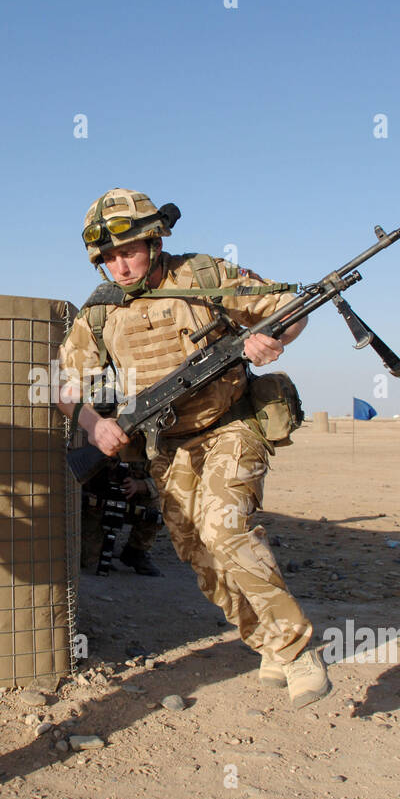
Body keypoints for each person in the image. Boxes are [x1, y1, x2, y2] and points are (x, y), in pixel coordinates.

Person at [55, 188, 330, 707]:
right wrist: (93, 424)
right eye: (109, 257)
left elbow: (290, 310)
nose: (121, 264)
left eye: (129, 250)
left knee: (226, 527)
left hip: (230, 423)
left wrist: (272, 340)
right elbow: (65, 387)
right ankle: (266, 642)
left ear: (155, 242)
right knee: (197, 552)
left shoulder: (203, 276)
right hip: (165, 444)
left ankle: (297, 651)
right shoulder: (99, 312)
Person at [80, 459, 163, 576]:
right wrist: (81, 492)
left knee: (159, 505)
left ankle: (137, 551)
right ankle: (100, 547)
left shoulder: (150, 447)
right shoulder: (96, 442)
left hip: (132, 499)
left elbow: (167, 479)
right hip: (97, 503)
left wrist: (141, 485)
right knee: (86, 559)